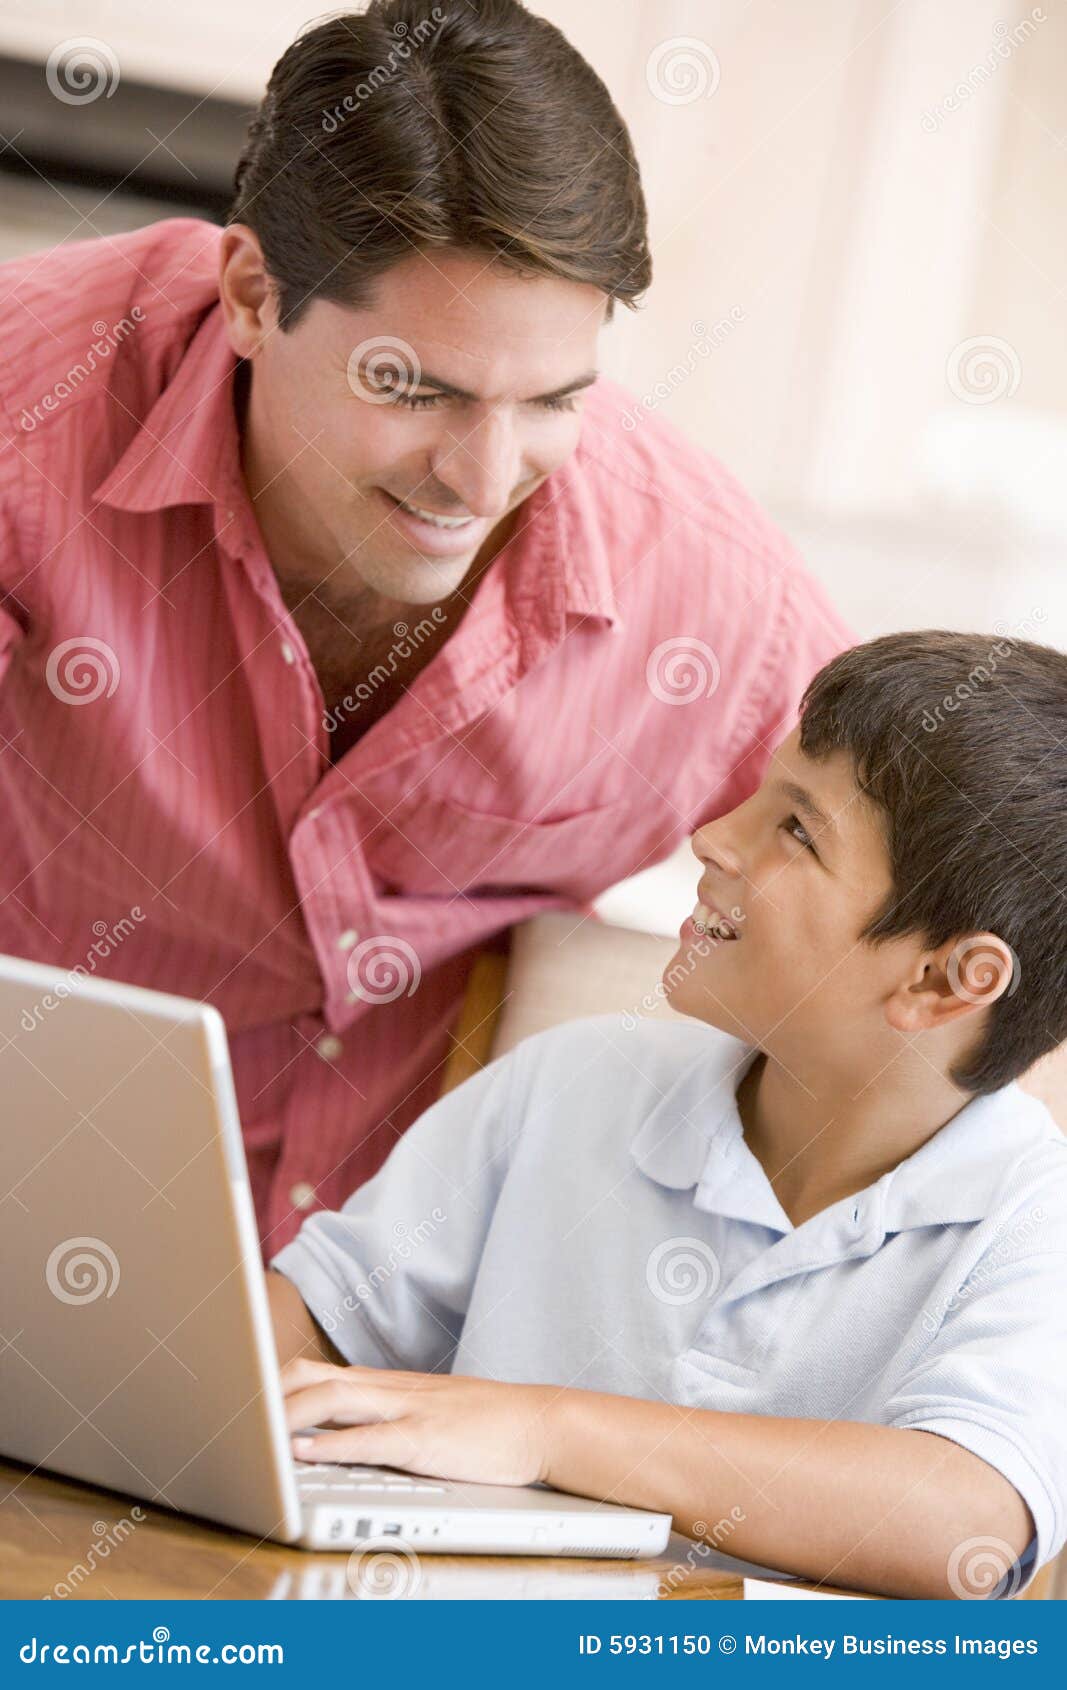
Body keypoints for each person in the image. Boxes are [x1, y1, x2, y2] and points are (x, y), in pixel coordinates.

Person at [0, 0, 851, 1253]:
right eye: (416, 390)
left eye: (552, 399)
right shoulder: (32, 414)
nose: (481, 475)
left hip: (398, 1332)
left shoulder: (707, 595)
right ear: (249, 294)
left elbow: (944, 942)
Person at [267, 630, 1067, 1599]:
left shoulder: (1029, 1218)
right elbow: (315, 1317)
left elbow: (963, 1522)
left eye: (797, 831)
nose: (715, 837)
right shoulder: (571, 1083)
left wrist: (542, 1427)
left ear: (945, 979)